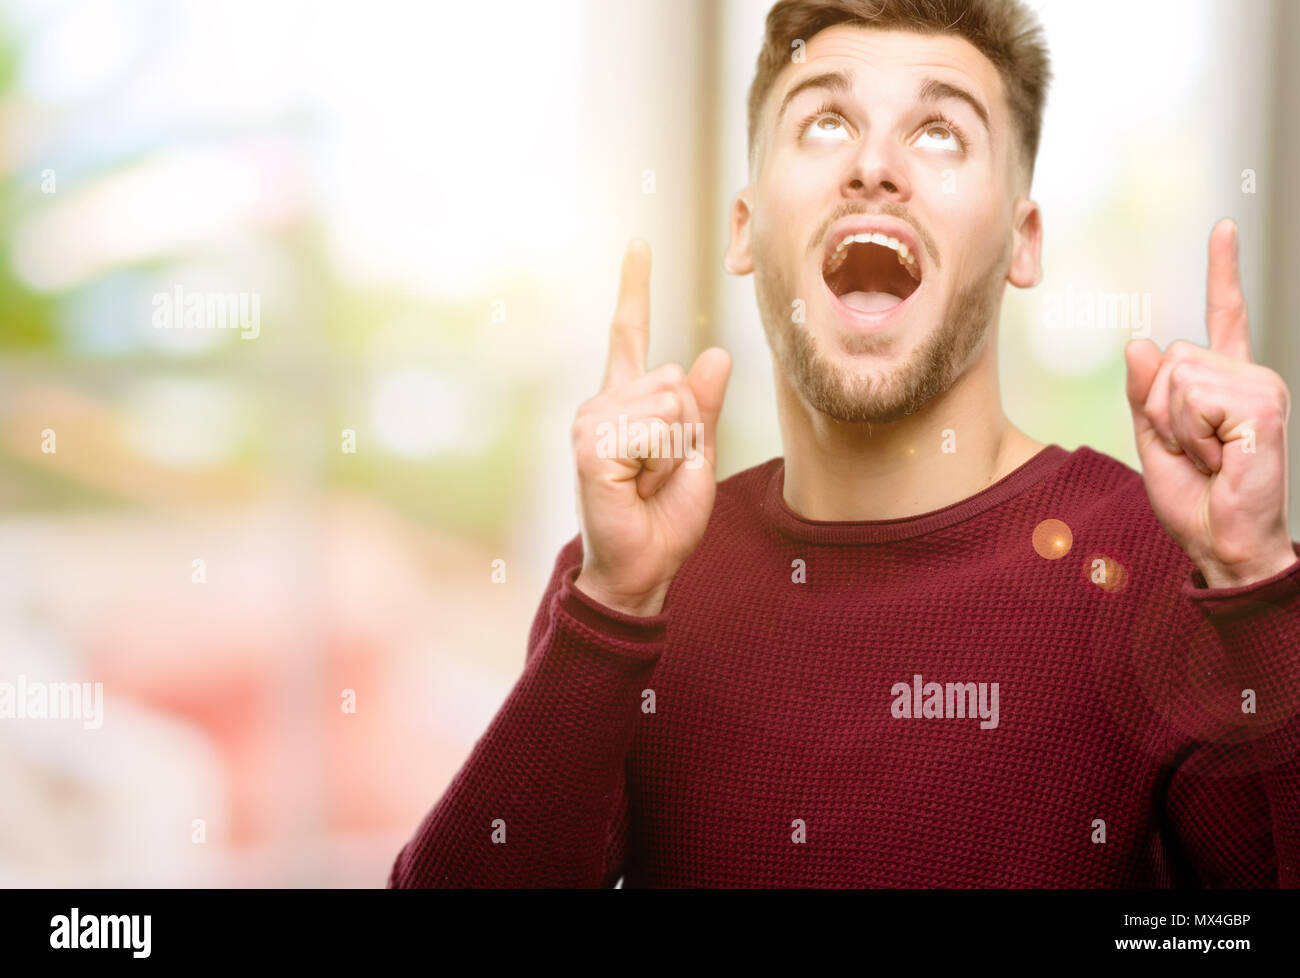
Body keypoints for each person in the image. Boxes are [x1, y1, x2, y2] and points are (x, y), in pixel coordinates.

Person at [390, 0, 1299, 887]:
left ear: (1022, 242)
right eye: (826, 122)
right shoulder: (634, 583)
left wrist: (1255, 575)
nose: (874, 165)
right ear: (745, 227)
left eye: (940, 132)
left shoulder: (1169, 575)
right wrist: (613, 606)